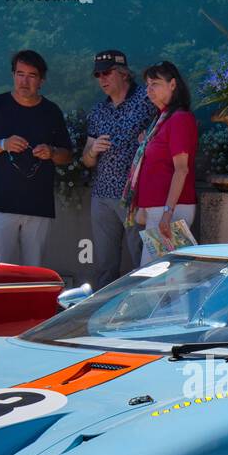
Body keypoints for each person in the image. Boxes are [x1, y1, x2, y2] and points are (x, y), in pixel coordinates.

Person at [0, 50, 73, 269]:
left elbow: (67, 155)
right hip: (0, 206)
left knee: (35, 274)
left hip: (39, 208)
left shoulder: (52, 111)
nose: (24, 81)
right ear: (13, 75)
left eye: (31, 76)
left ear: (41, 80)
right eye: (19, 74)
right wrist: (2, 144)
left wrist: (52, 152)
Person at [80, 49, 155, 289]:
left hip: (135, 195)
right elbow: (86, 160)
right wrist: (92, 151)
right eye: (98, 75)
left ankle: (143, 312)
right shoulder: (98, 111)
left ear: (123, 73)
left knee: (143, 260)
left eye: (107, 73)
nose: (102, 79)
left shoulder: (146, 99)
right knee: (105, 264)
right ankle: (104, 315)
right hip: (102, 195)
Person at [122, 61, 198, 266]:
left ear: (172, 84)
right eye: (147, 84)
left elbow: (181, 170)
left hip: (170, 210)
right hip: (158, 211)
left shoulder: (179, 119)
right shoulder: (161, 120)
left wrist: (167, 212)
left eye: (155, 83)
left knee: (167, 279)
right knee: (164, 279)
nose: (149, 90)